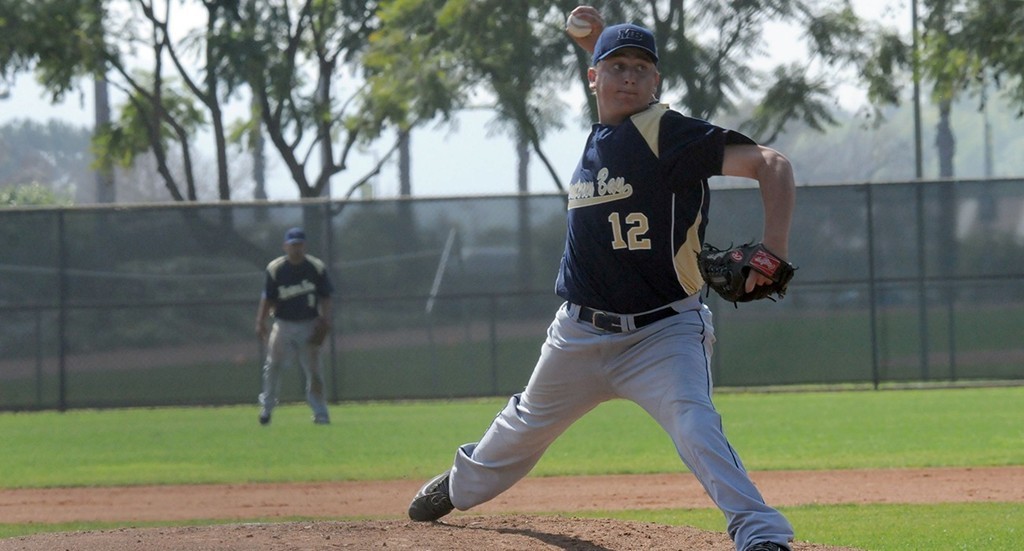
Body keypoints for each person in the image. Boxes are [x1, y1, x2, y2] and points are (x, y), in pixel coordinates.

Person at [407, 7, 796, 551]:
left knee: (695, 425)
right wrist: (593, 42)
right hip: (580, 333)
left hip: (663, 335)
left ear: (657, 81)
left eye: (642, 67)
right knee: (520, 428)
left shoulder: (665, 131)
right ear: (594, 77)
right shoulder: (605, 133)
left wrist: (773, 249)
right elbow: (609, 84)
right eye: (617, 66)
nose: (630, 75)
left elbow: (772, 163)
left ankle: (762, 534)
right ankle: (460, 484)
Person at [255, 227, 334, 426]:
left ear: (304, 246)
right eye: (292, 245)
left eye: (299, 244)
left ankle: (320, 413)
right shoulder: (276, 268)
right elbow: (268, 298)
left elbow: (325, 296)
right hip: (283, 325)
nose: (296, 248)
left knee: (314, 371)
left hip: (309, 323)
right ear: (285, 246)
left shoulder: (316, 267)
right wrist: (260, 321)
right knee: (272, 366)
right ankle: (267, 410)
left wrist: (325, 319)